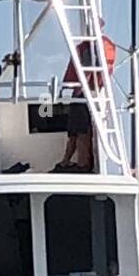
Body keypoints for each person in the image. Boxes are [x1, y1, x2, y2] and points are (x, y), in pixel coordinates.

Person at [54, 28, 116, 173]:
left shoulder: (90, 48)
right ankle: (68, 161)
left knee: (81, 131)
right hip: (84, 94)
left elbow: (88, 70)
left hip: (83, 94)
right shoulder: (96, 47)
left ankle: (81, 163)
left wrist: (81, 89)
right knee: (75, 131)